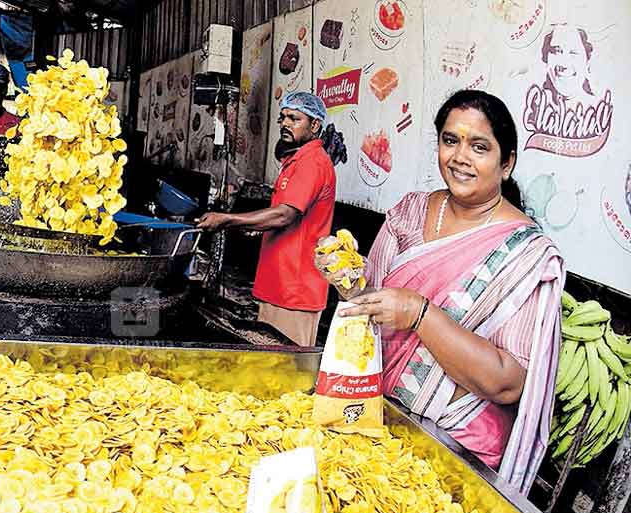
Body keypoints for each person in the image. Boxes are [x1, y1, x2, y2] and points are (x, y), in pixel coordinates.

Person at [317, 90, 564, 491]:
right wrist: (348, 280)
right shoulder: (410, 211)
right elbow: (369, 306)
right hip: (377, 413)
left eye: (479, 147)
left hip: (456, 447)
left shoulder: (528, 255)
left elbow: (508, 383)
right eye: (451, 141)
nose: (460, 157)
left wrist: (420, 314)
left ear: (507, 163)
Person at [198, 91, 336, 346]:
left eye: (295, 119)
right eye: (283, 117)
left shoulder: (313, 163)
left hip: (295, 290)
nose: (285, 123)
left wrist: (226, 220)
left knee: (286, 372)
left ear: (315, 125)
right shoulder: (295, 160)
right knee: (268, 367)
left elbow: (285, 215)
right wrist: (257, 226)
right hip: (277, 285)